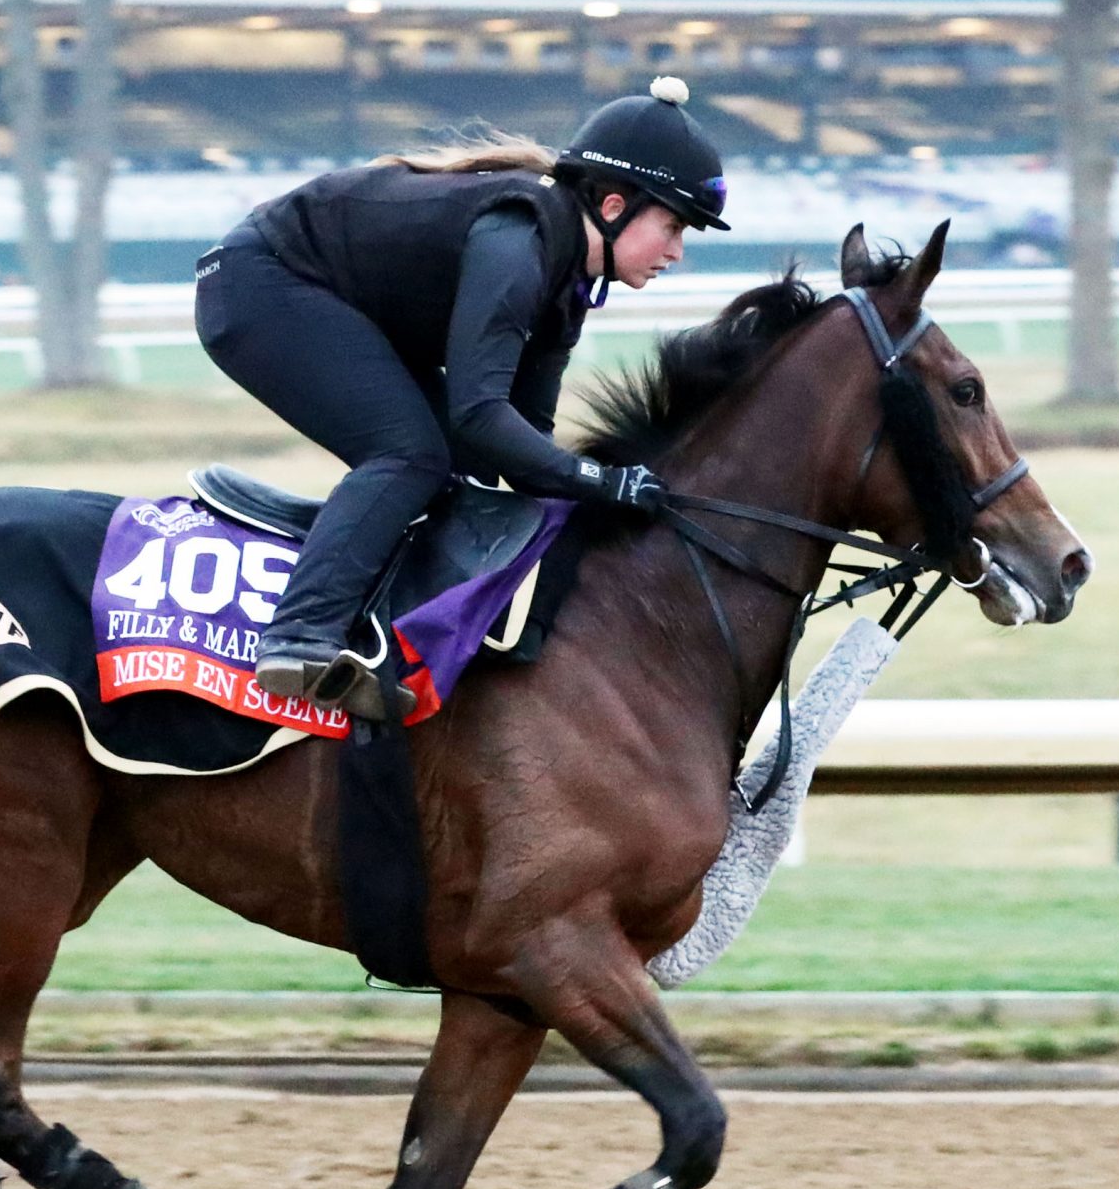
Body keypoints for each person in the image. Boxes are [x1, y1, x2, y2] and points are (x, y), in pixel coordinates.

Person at [194, 75, 729, 720]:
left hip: (332, 297)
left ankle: (395, 640)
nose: (676, 252)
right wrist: (604, 480)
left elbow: (519, 448)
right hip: (262, 282)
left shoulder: (566, 288)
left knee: (457, 467)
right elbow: (480, 415)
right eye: (672, 226)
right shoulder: (517, 241)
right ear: (613, 206)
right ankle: (300, 638)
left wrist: (601, 501)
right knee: (410, 455)